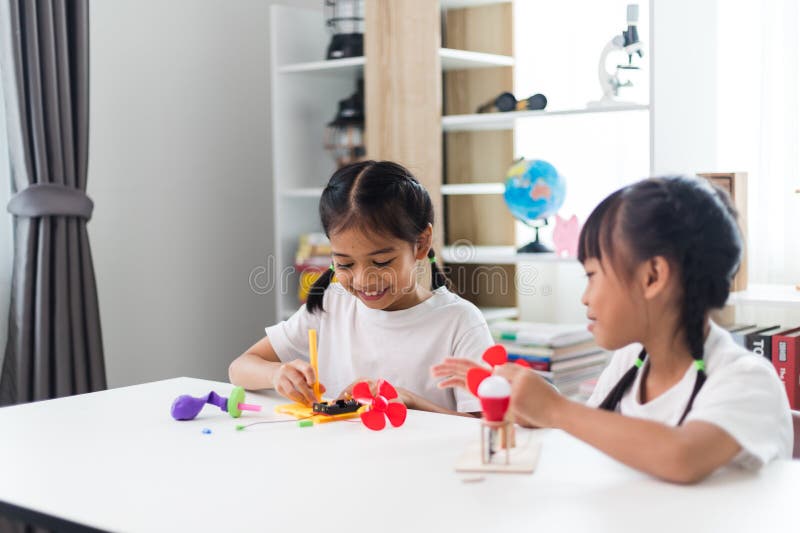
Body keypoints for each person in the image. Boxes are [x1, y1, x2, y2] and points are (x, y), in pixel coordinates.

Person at [433, 176, 792, 482]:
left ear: (652, 276)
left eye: (592, 276)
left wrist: (556, 410)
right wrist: (526, 408)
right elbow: (593, 430)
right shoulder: (632, 361)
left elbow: (682, 456)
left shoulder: (747, 380)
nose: (585, 298)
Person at [230, 160, 492, 415]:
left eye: (381, 262)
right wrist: (276, 373)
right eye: (344, 264)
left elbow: (486, 427)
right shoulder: (331, 304)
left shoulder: (459, 323)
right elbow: (240, 368)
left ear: (421, 243)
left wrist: (409, 401)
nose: (363, 280)